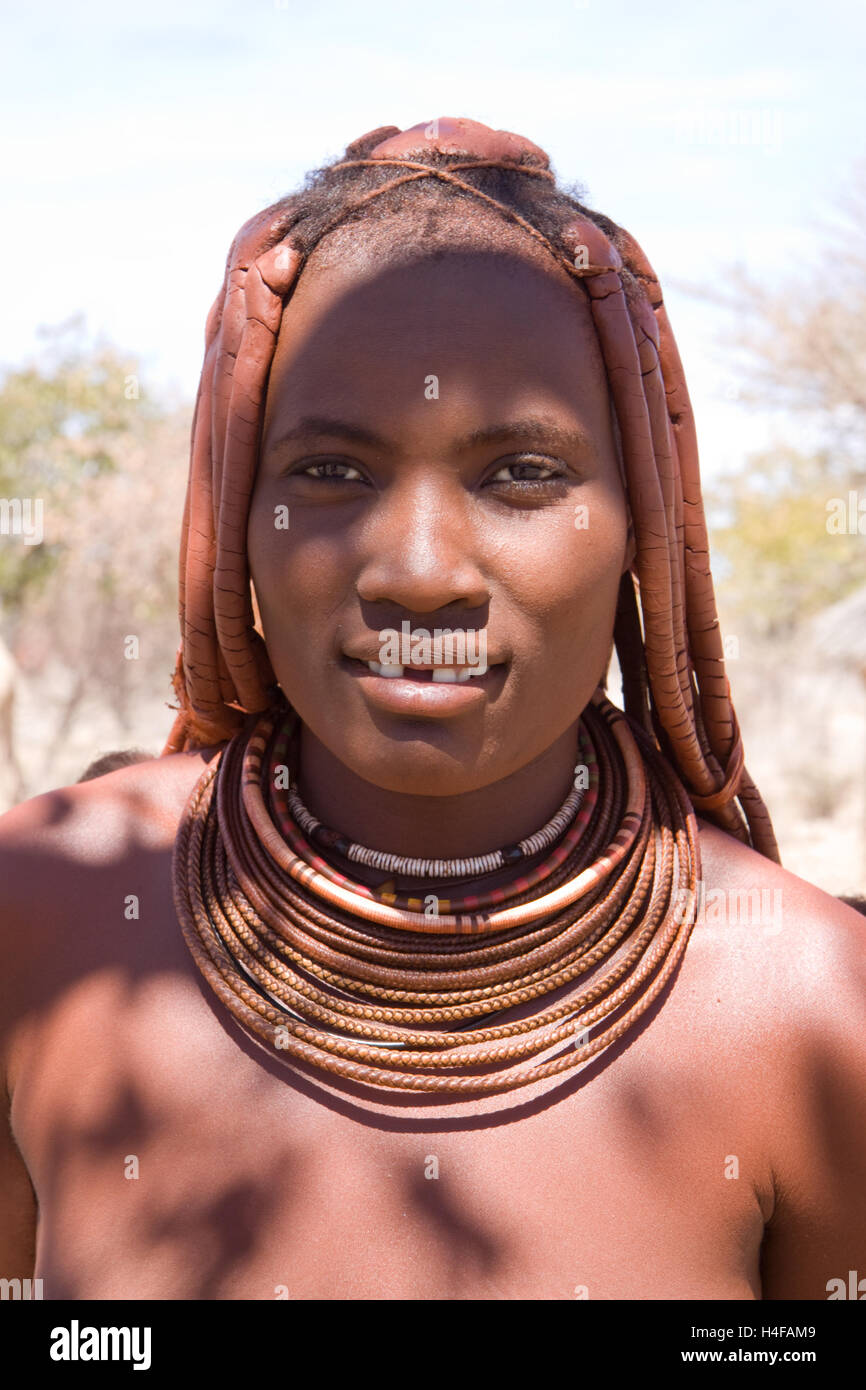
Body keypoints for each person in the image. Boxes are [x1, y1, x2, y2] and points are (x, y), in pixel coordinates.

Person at [1, 118, 864, 1302]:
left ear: (640, 531)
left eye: (522, 473)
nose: (417, 570)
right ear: (239, 520)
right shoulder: (40, 916)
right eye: (330, 472)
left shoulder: (812, 1006)